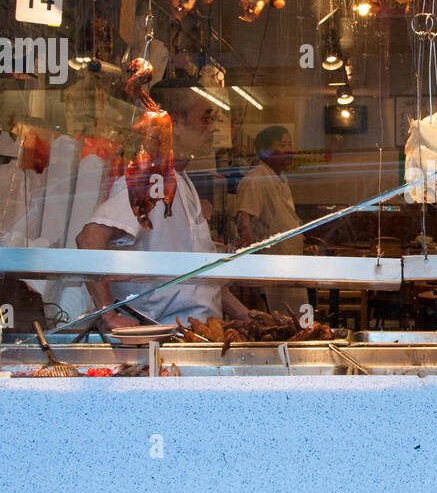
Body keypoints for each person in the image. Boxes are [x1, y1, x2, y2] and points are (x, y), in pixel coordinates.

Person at [76, 82, 250, 330]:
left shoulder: (182, 181)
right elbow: (89, 239)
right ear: (175, 124)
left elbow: (198, 277)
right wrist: (108, 313)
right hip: (162, 338)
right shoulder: (150, 181)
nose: (213, 127)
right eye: (206, 118)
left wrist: (243, 315)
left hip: (196, 335)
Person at [231, 125, 309, 316]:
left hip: (288, 268)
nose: (289, 150)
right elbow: (244, 218)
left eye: (290, 144)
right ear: (265, 151)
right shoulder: (256, 178)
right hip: (270, 273)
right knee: (277, 324)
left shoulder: (279, 178)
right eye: (282, 145)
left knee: (295, 324)